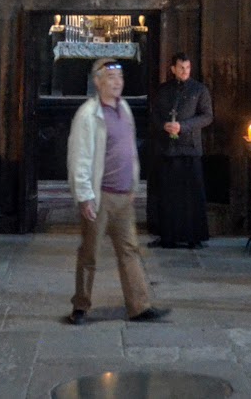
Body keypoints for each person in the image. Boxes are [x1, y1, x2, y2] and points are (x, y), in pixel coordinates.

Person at [65, 57, 169, 325]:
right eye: (111, 79)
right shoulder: (88, 115)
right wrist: (84, 195)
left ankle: (139, 305)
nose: (117, 83)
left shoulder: (124, 108)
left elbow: (129, 150)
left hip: (123, 196)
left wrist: (133, 182)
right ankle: (81, 306)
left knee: (130, 250)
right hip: (100, 196)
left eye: (120, 78)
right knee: (89, 252)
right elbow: (80, 157)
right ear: (98, 82)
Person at [147, 52, 213, 249]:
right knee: (167, 194)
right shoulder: (163, 90)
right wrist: (164, 126)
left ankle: (194, 237)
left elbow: (207, 116)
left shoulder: (199, 90)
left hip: (189, 149)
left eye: (187, 68)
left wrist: (183, 126)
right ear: (173, 69)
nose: (184, 71)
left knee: (191, 195)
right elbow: (155, 114)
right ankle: (168, 236)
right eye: (181, 68)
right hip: (167, 149)